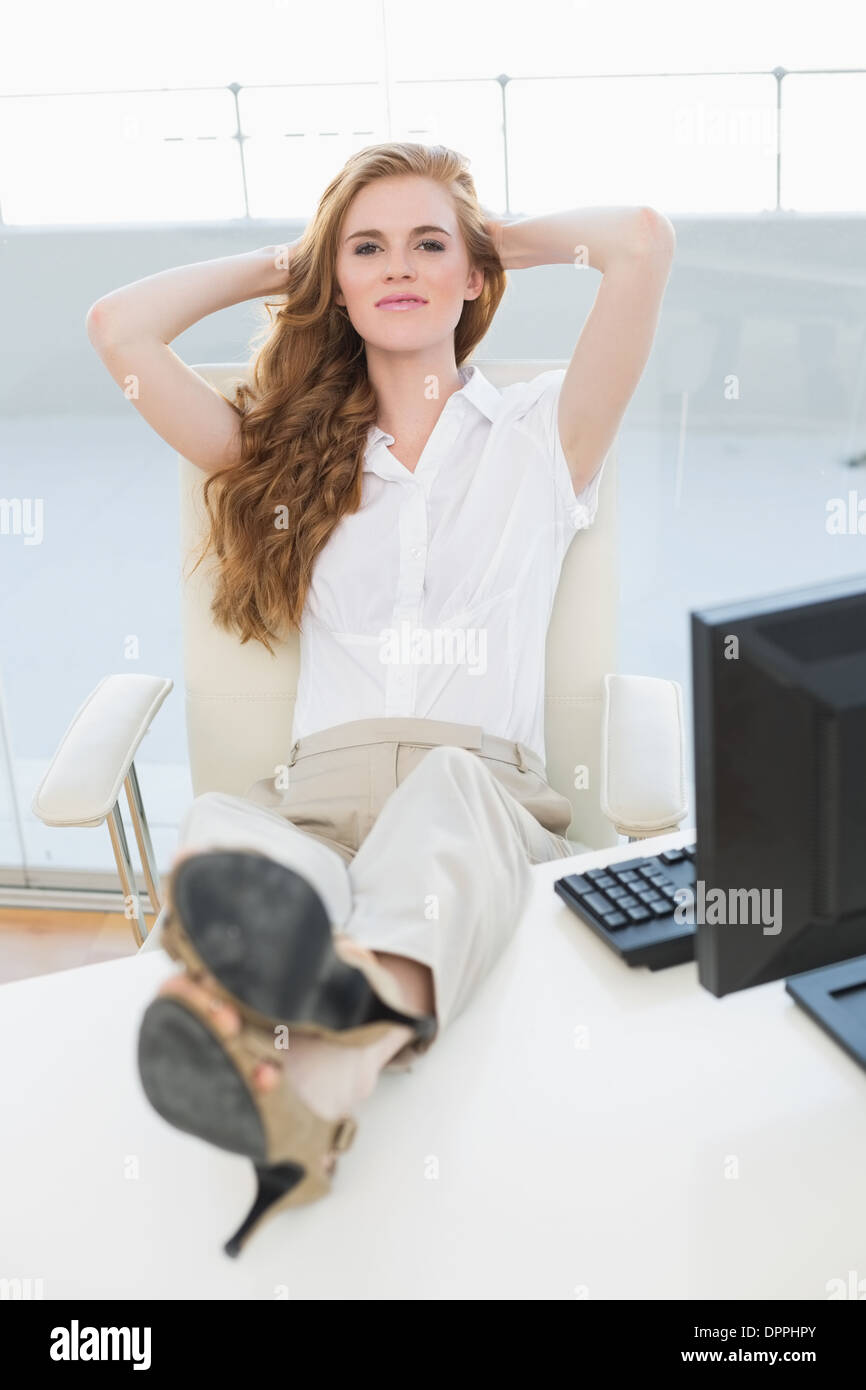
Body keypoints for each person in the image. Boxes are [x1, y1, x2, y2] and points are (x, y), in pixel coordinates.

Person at [86, 141, 675, 1257]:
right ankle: (317, 1071)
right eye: (367, 250)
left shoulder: (544, 436)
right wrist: (291, 259)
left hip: (479, 790)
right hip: (312, 794)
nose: (396, 266)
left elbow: (638, 240)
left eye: (425, 247)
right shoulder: (283, 451)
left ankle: (331, 1030)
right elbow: (120, 329)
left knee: (450, 798)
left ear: (473, 277)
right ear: (334, 285)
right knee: (232, 832)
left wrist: (483, 237)